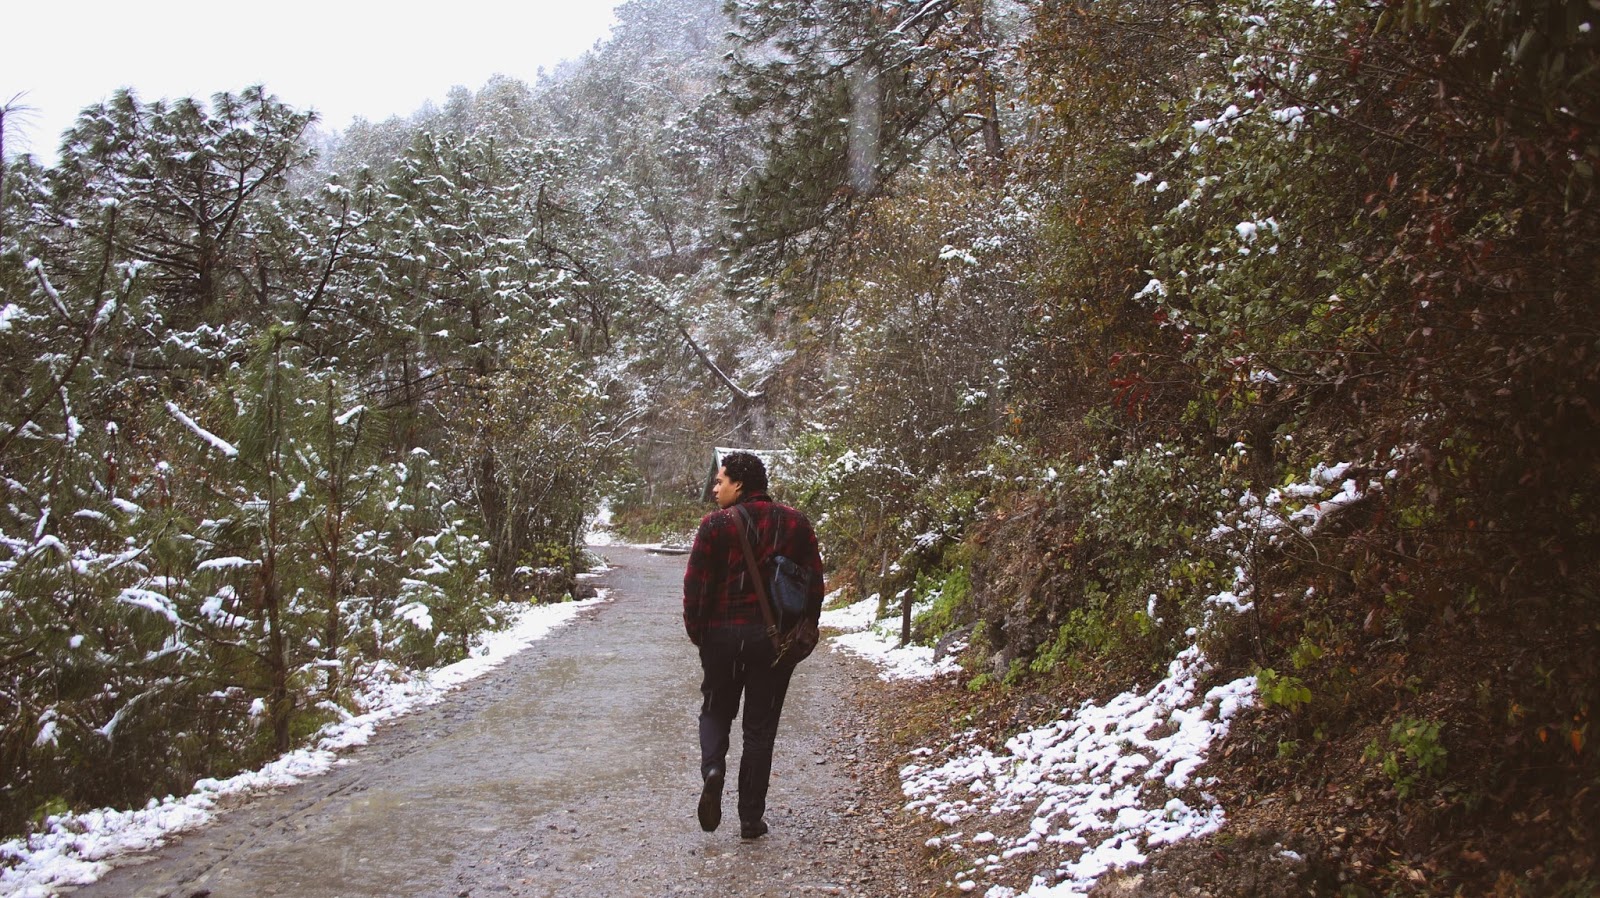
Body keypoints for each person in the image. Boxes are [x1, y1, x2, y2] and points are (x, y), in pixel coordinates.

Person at [682, 451, 825, 839]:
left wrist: (700, 634)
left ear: (740, 484)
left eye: (720, 481)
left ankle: (714, 769)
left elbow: (696, 588)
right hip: (773, 642)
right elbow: (814, 584)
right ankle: (750, 817)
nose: (715, 488)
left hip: (722, 638)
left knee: (715, 711)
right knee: (760, 730)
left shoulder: (714, 526)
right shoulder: (795, 523)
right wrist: (802, 631)